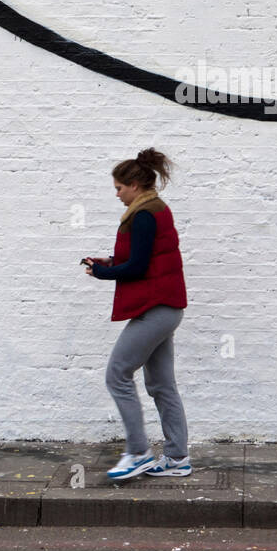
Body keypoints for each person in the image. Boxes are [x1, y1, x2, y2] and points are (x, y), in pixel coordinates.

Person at [84, 148, 191, 480]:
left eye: (118, 188)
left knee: (117, 374)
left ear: (133, 184)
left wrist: (102, 274)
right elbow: (143, 260)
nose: (116, 194)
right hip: (165, 306)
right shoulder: (152, 209)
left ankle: (138, 452)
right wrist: (109, 263)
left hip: (156, 309)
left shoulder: (144, 214)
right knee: (161, 384)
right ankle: (177, 459)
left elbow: (139, 267)